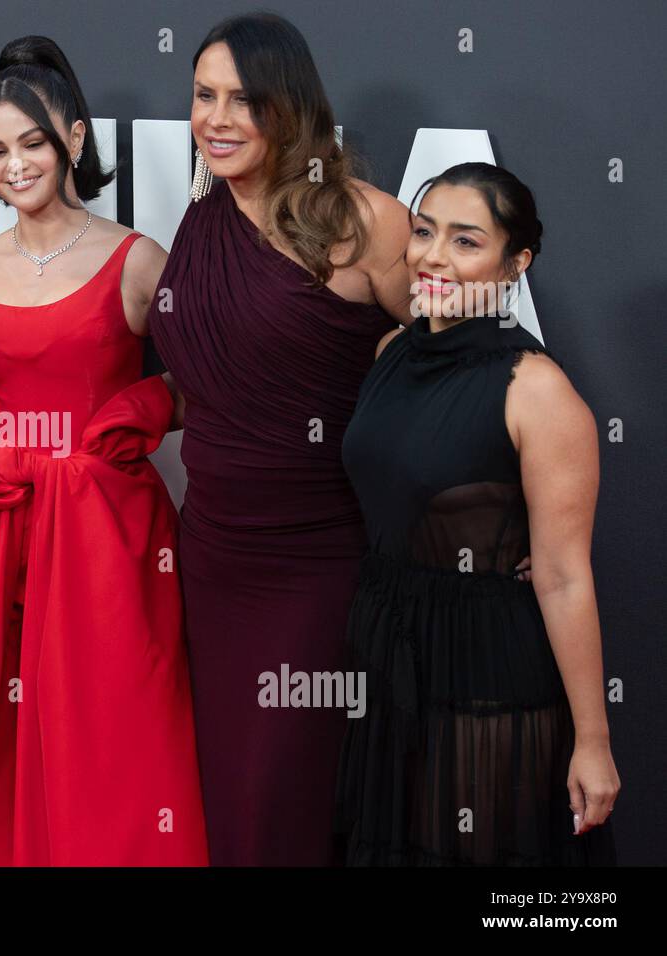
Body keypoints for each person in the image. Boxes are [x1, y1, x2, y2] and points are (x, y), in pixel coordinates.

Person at [0, 36, 208, 866]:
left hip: (108, 537)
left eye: (32, 143)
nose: (13, 165)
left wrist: (141, 405)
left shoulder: (138, 260)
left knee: (108, 730)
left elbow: (206, 390)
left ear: (75, 139)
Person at [145, 13, 421, 865]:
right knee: (221, 793)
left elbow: (457, 368)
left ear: (290, 106)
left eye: (243, 99)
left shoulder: (369, 223)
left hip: (316, 561)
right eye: (203, 96)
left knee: (279, 798)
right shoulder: (203, 218)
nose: (217, 119)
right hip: (211, 554)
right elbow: (210, 387)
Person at [334, 163, 619, 865]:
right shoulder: (390, 350)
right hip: (387, 650)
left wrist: (593, 742)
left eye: (467, 242)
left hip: (488, 668)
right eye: (425, 232)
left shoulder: (537, 390)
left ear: (515, 262)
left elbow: (563, 578)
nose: (434, 256)